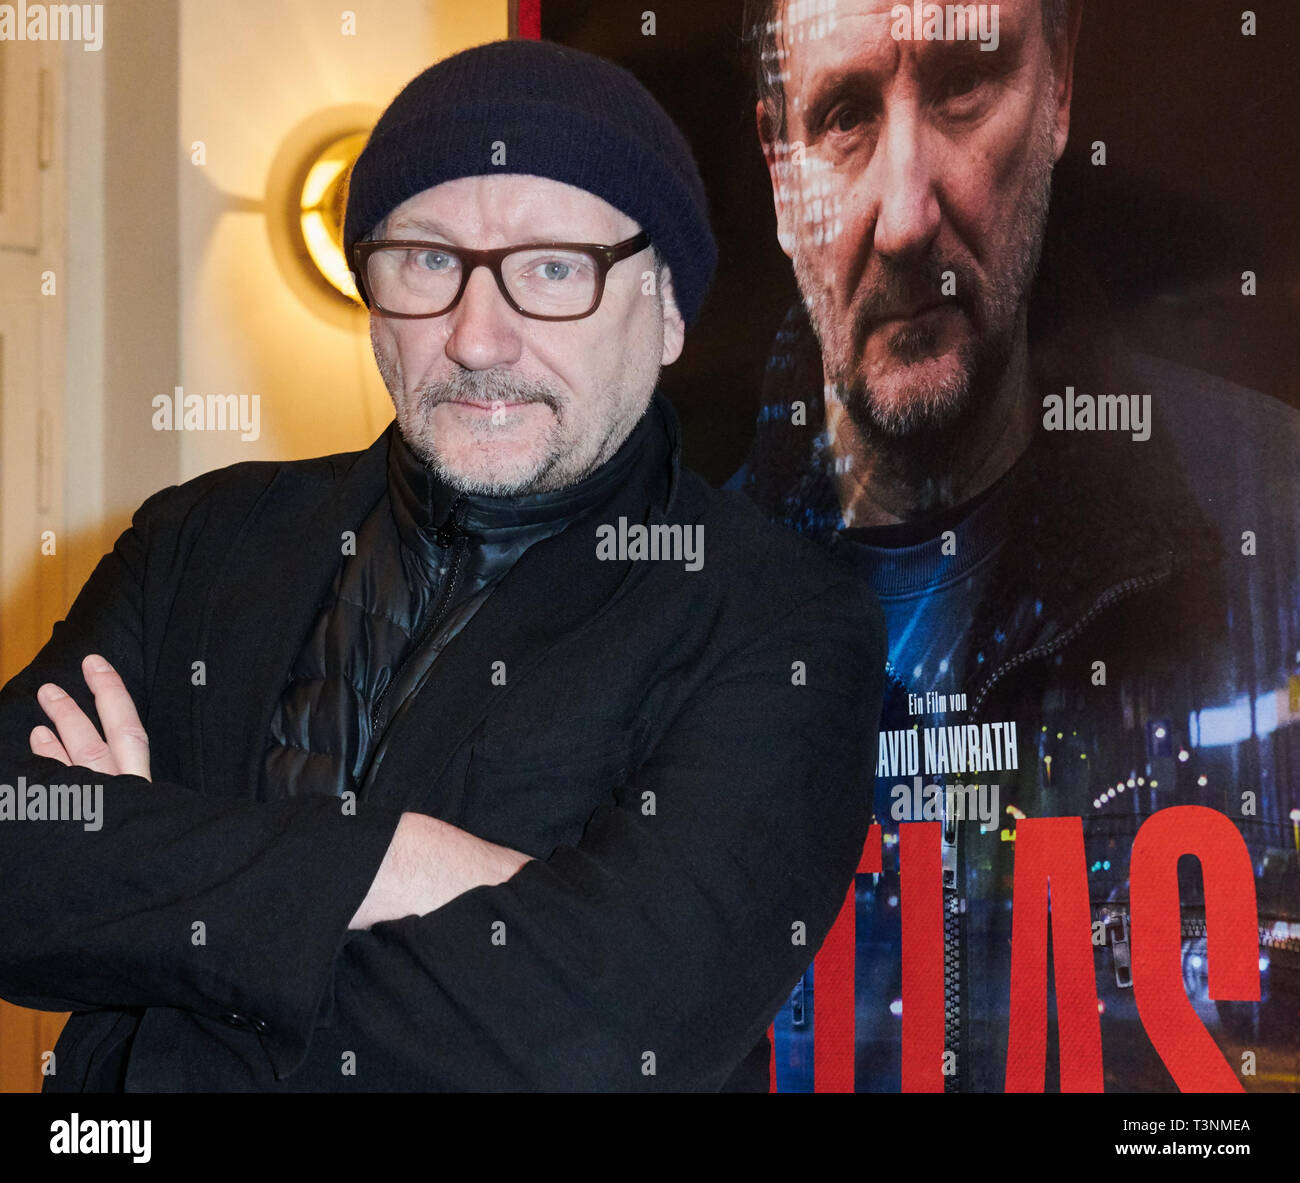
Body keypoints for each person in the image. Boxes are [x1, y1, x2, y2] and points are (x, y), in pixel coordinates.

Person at [0, 38, 886, 1092]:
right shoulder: (201, 539)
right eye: (427, 260)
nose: (477, 337)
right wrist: (395, 861)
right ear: (372, 297)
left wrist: (152, 948)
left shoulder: (777, 621)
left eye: (553, 269)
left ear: (666, 313)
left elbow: (595, 1034)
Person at [735, 0, 1300, 1090]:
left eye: (962, 86)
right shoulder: (659, 626)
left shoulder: (1280, 537)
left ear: (1058, 91)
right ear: (776, 166)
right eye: (843, 113)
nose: (904, 215)